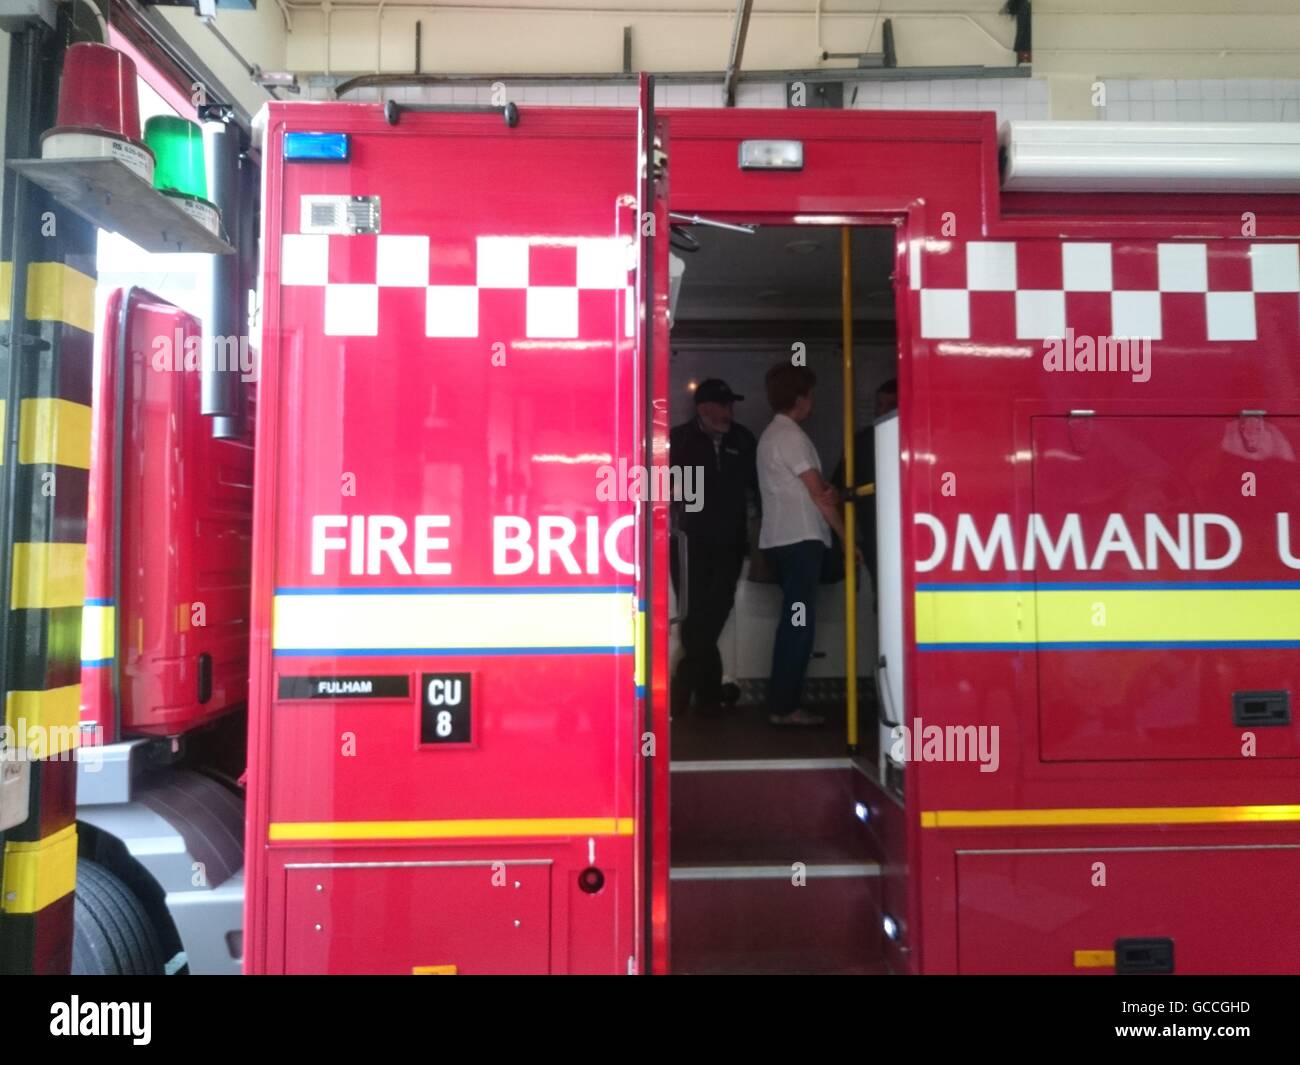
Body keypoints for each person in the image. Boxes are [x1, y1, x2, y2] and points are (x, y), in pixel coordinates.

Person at [757, 365, 856, 727]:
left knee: (793, 621)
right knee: (798, 623)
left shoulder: (772, 436)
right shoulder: (792, 438)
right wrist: (848, 540)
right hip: (801, 540)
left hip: (783, 541)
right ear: (801, 398)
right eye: (810, 394)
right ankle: (785, 706)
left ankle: (783, 702)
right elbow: (820, 494)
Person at [669, 378, 758, 717]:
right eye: (722, 405)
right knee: (693, 619)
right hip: (688, 545)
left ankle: (684, 687)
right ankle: (707, 698)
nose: (729, 412)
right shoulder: (678, 439)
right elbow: (662, 491)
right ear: (703, 408)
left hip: (731, 544)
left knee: (715, 614)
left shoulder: (743, 439)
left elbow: (756, 492)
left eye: (730, 405)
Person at [831, 378, 897, 606]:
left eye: (891, 406)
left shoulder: (918, 439)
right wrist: (847, 538)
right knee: (886, 599)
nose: (883, 412)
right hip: (874, 535)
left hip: (912, 534)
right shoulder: (860, 443)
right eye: (880, 405)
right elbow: (837, 491)